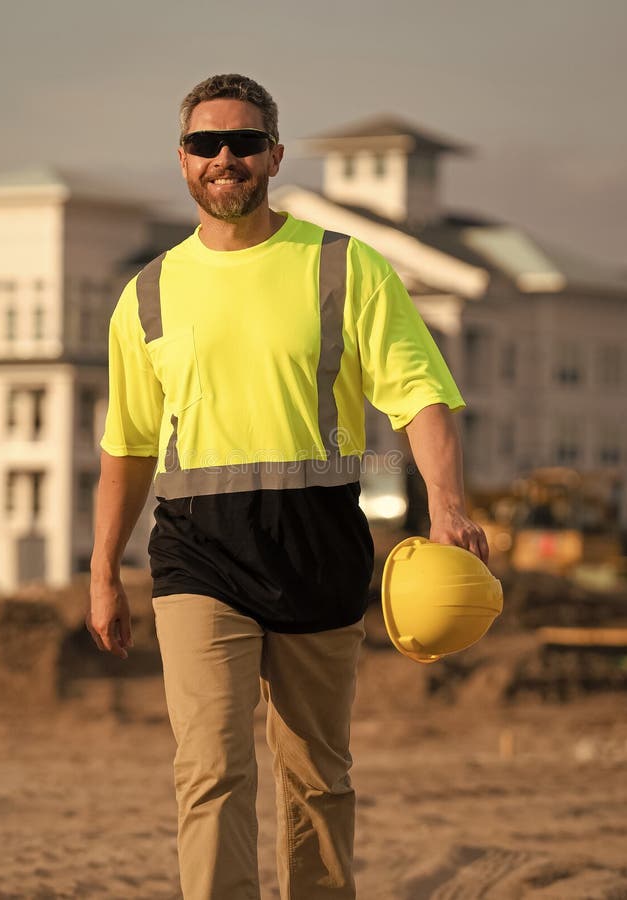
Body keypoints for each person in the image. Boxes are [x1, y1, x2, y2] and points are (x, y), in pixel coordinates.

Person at [87, 73, 488, 900]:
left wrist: (447, 505)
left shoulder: (344, 267)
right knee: (210, 768)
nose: (224, 158)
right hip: (197, 553)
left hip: (318, 542)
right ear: (183, 161)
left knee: (317, 780)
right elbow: (125, 448)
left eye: (242, 143)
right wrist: (102, 574)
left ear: (273, 154)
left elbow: (420, 394)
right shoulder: (148, 294)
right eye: (206, 144)